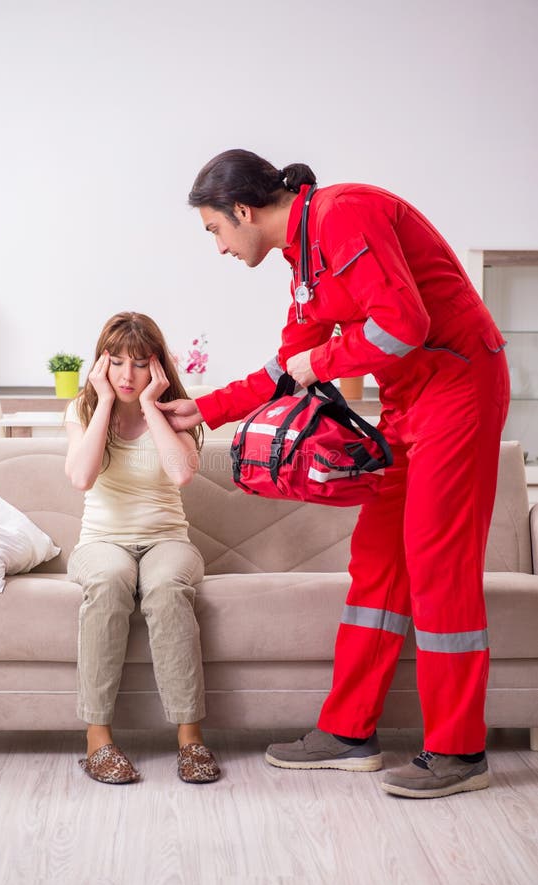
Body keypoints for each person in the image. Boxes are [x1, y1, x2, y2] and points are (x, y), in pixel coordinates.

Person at [157, 149, 510, 799]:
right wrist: (199, 411)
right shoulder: (304, 258)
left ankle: (459, 751)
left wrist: (321, 359)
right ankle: (349, 733)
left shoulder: (345, 216)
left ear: (243, 210)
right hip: (406, 402)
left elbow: (405, 325)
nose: (219, 248)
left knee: (437, 567)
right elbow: (285, 366)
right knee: (376, 562)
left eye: (214, 230)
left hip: (458, 388)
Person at [65, 311, 220, 785]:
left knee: (167, 587)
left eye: (138, 363)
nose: (127, 375)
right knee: (111, 580)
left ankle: (191, 739)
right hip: (102, 542)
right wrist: (105, 402)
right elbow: (82, 477)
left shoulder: (175, 410)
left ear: (157, 367)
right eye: (115, 363)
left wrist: (153, 407)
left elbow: (181, 473)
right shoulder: (83, 411)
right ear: (101, 365)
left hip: (166, 542)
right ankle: (98, 741)